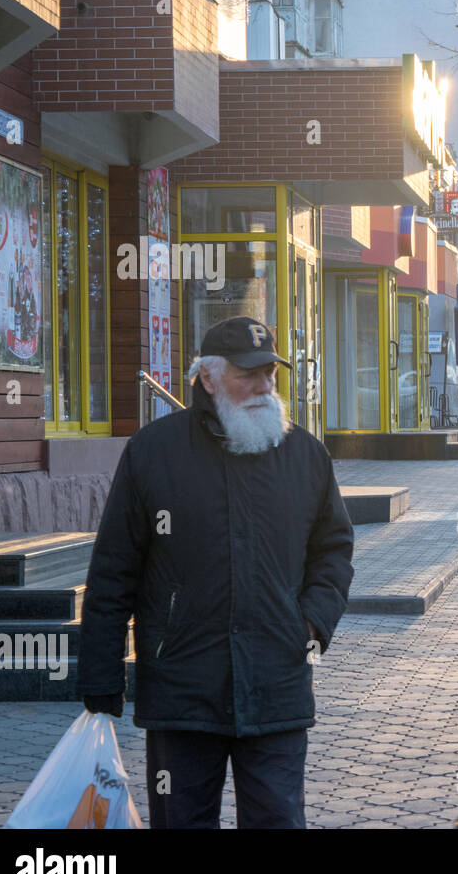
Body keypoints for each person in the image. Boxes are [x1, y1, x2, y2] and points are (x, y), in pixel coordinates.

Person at [76, 316, 354, 829]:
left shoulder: (305, 454)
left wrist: (310, 624)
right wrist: (100, 671)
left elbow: (333, 550)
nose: (264, 386)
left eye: (270, 372)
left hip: (277, 685)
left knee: (277, 820)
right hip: (182, 690)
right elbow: (115, 570)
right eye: (247, 374)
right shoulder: (153, 452)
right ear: (206, 377)